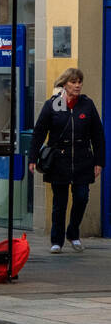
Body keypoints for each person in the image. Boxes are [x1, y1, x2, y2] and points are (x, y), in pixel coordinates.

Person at [29, 67, 105, 253]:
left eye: (79, 82)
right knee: (59, 203)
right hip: (59, 161)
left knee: (81, 197)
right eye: (73, 82)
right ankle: (57, 240)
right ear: (64, 84)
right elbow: (39, 132)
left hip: (82, 159)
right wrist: (32, 158)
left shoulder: (87, 104)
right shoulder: (54, 104)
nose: (77, 85)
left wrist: (99, 161)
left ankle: (73, 233)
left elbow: (98, 135)